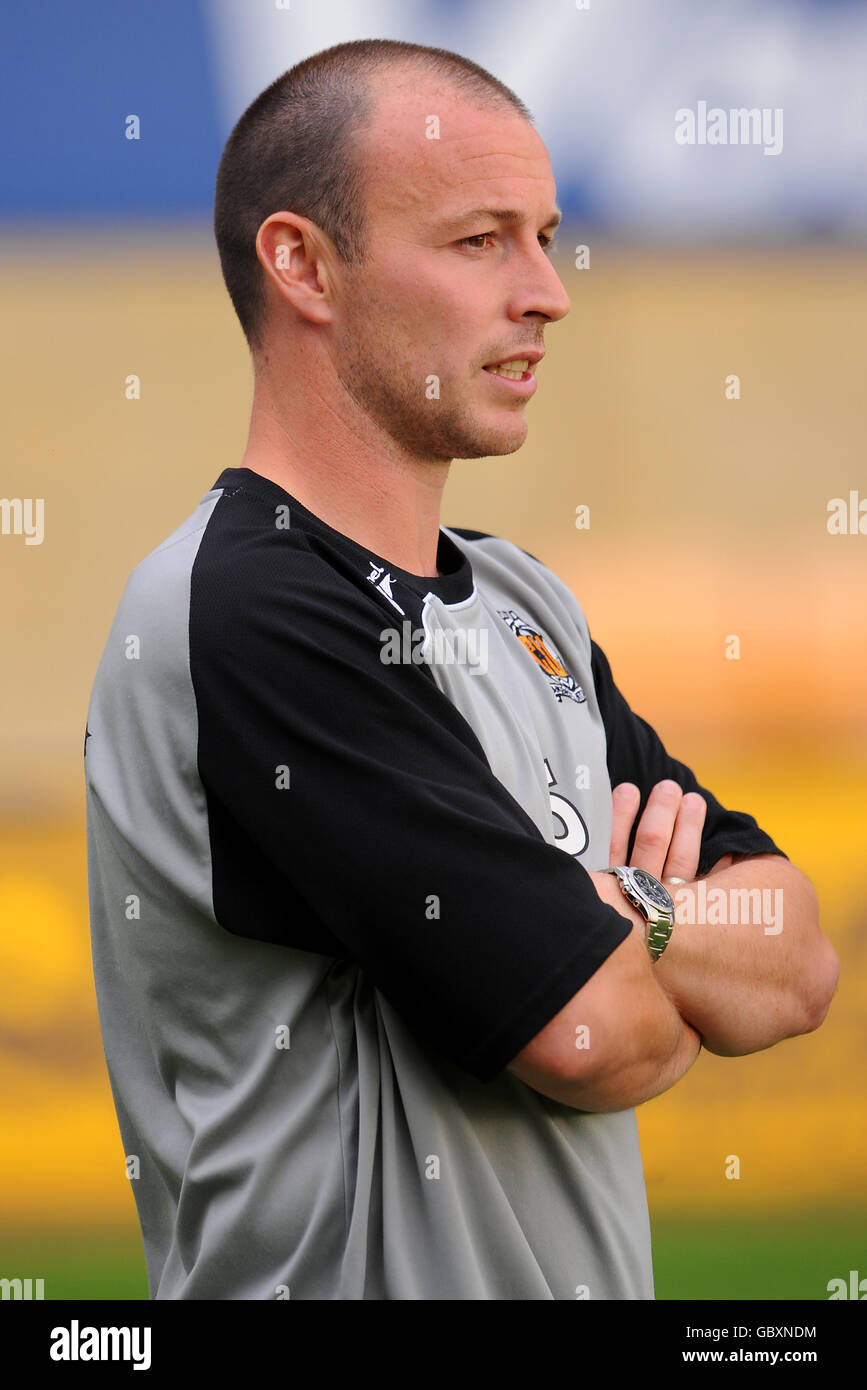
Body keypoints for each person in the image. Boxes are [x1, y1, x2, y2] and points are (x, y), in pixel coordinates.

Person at [84, 38, 838, 1301]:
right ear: (302, 265)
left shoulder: (521, 596)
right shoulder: (250, 608)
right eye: (483, 241)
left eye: (546, 236)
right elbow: (595, 1037)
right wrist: (645, 918)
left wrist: (618, 917)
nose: (548, 292)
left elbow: (801, 954)